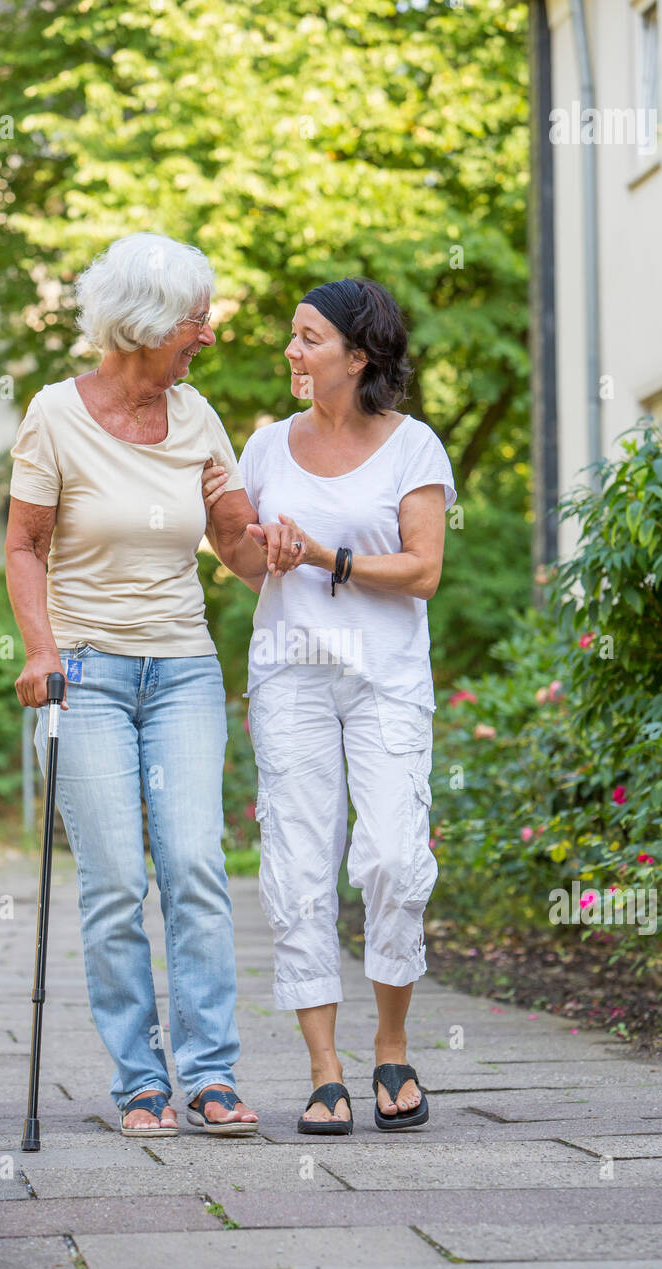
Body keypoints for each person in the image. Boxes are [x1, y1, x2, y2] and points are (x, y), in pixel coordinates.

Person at [5, 232, 302, 1137]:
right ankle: (140, 1080)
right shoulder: (54, 415)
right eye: (194, 319)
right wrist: (39, 650)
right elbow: (25, 544)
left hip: (182, 669)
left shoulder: (199, 417)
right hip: (86, 674)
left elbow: (234, 543)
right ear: (141, 324)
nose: (206, 337)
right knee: (112, 881)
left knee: (195, 865)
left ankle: (209, 1075)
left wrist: (283, 556)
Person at [202, 277, 456, 1133]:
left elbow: (423, 570)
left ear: (359, 354)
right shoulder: (267, 446)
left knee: (390, 858)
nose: (292, 351)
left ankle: (392, 1046)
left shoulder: (413, 447)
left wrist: (323, 556)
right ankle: (323, 1071)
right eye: (293, 335)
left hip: (385, 680)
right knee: (299, 869)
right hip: (290, 677)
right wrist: (252, 545)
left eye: (309, 338)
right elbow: (244, 563)